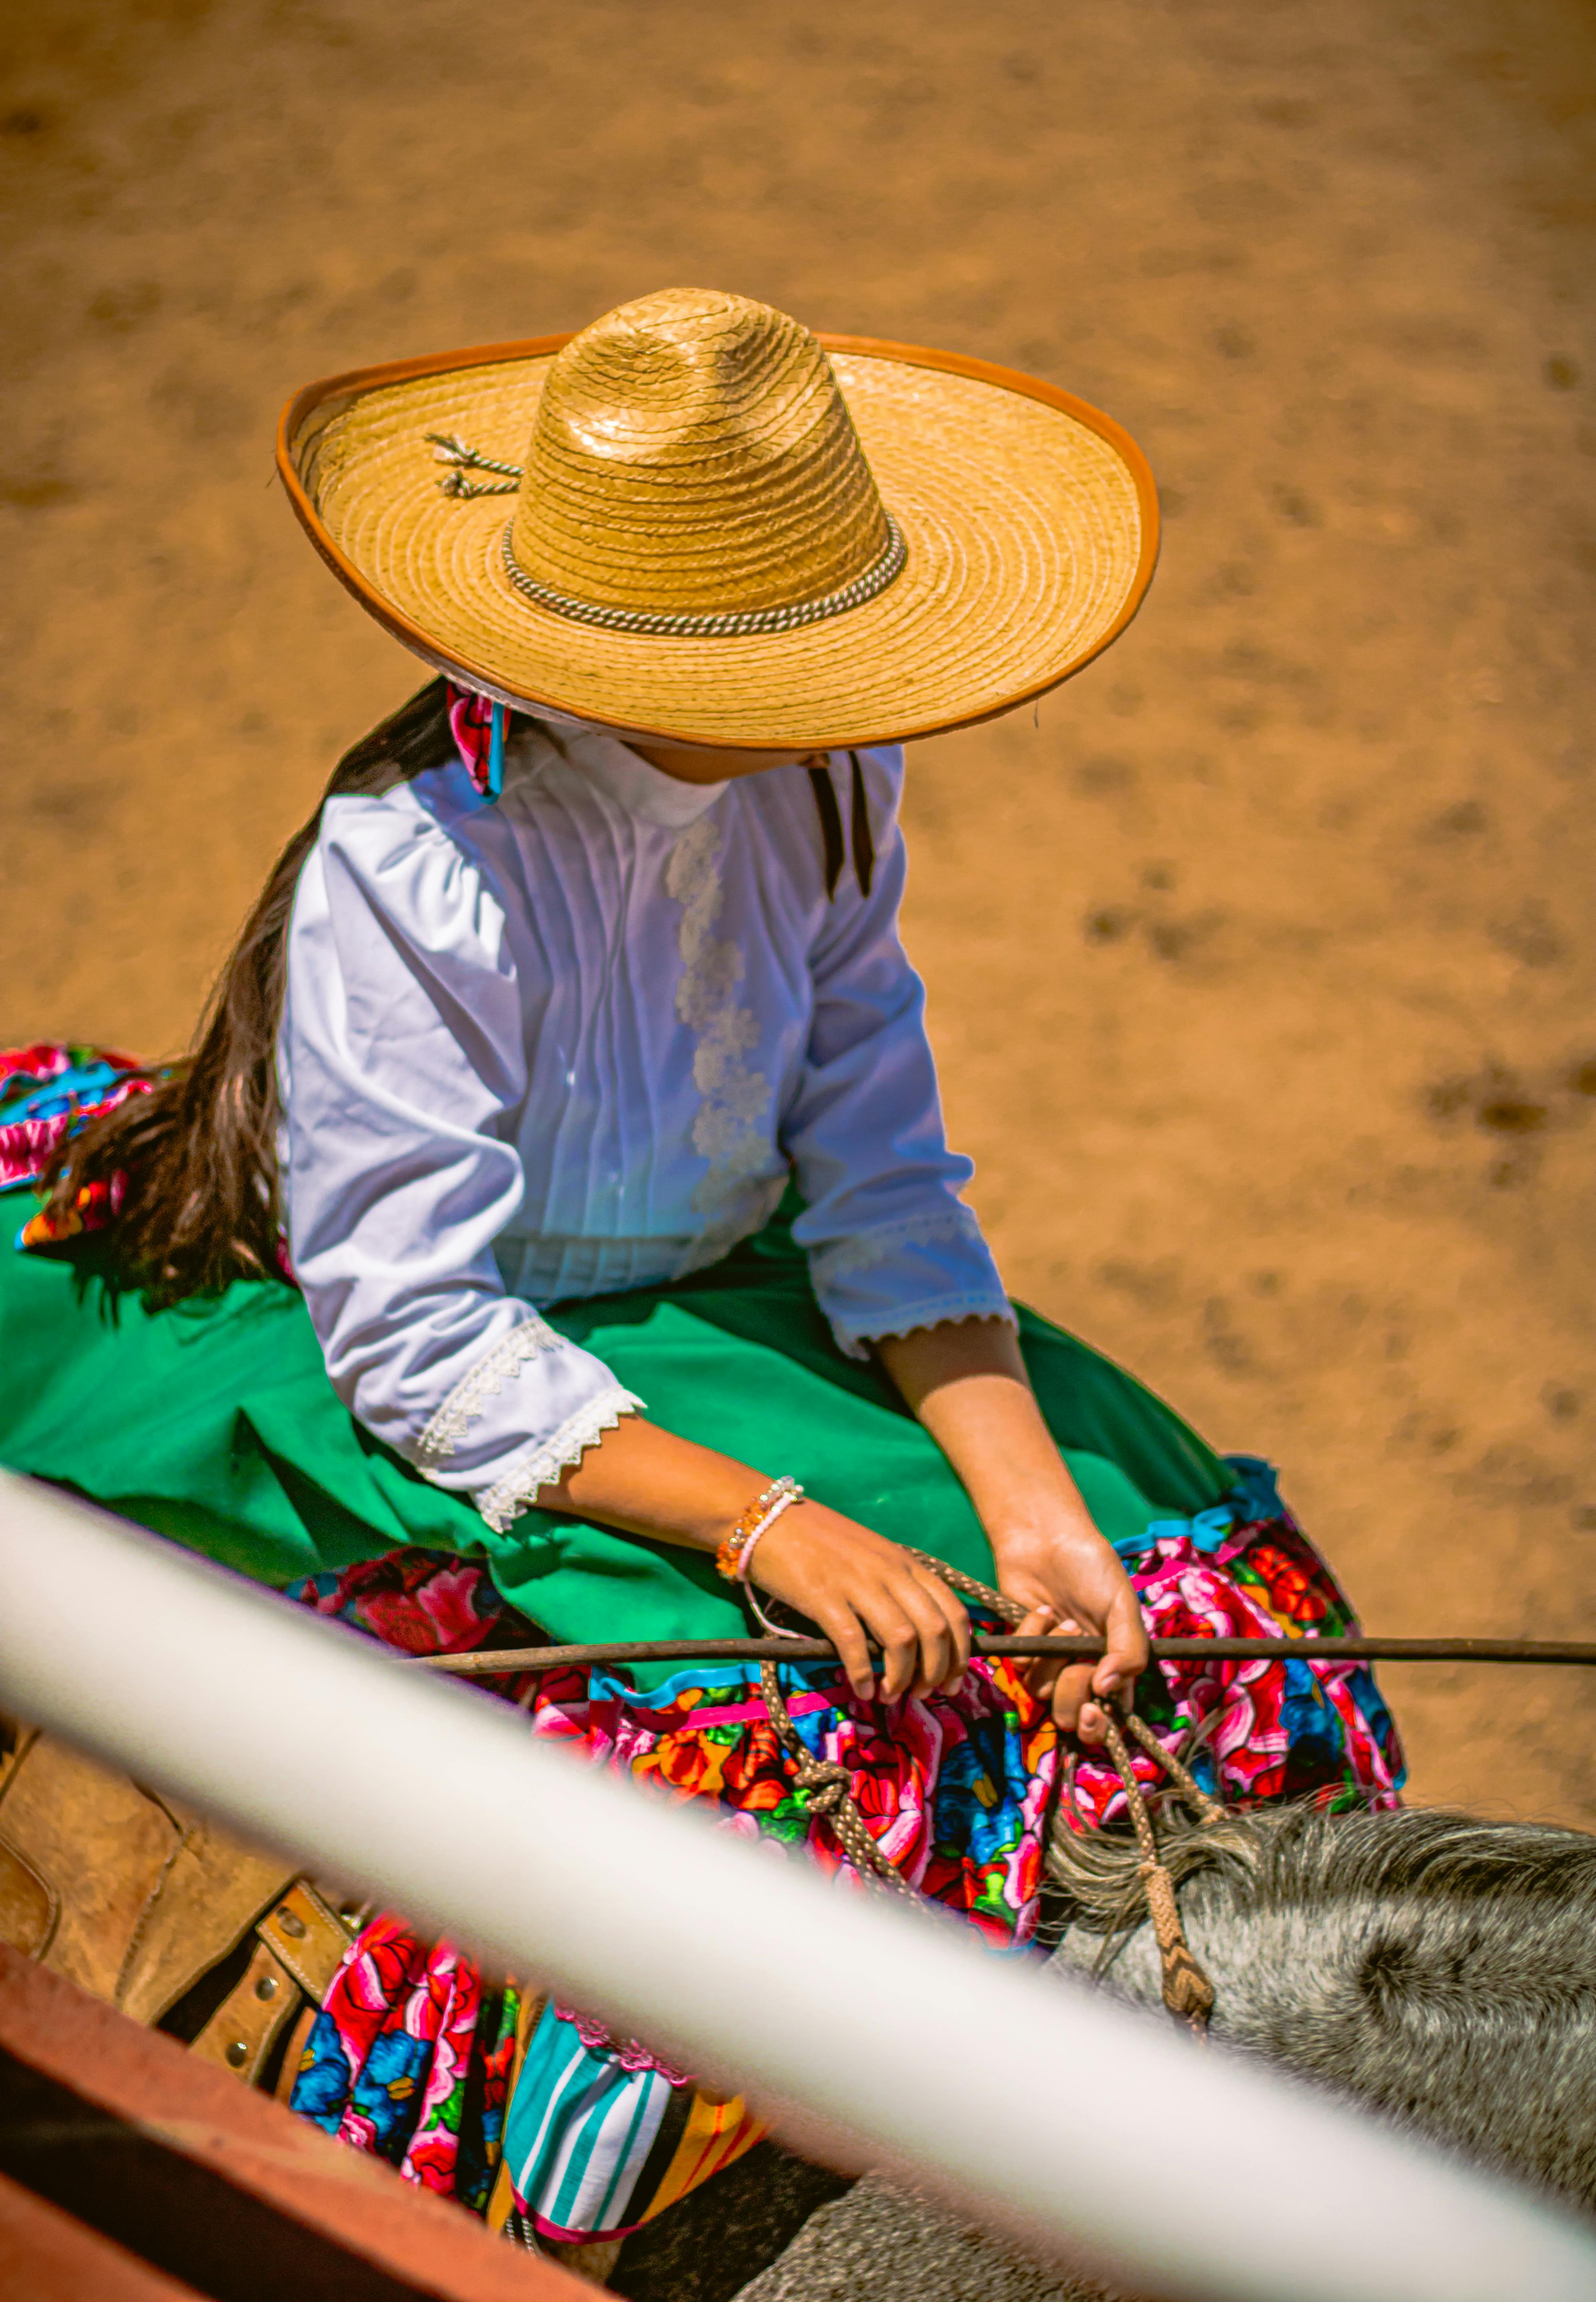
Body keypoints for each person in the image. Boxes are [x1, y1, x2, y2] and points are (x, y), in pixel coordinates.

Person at [0, 288, 1401, 2252]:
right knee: (732, 1781)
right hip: (450, 1362)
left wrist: (1035, 1510)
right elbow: (412, 1327)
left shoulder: (829, 781)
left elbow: (882, 1175)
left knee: (1184, 1587)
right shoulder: (415, 866)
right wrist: (776, 1530)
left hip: (723, 1305)